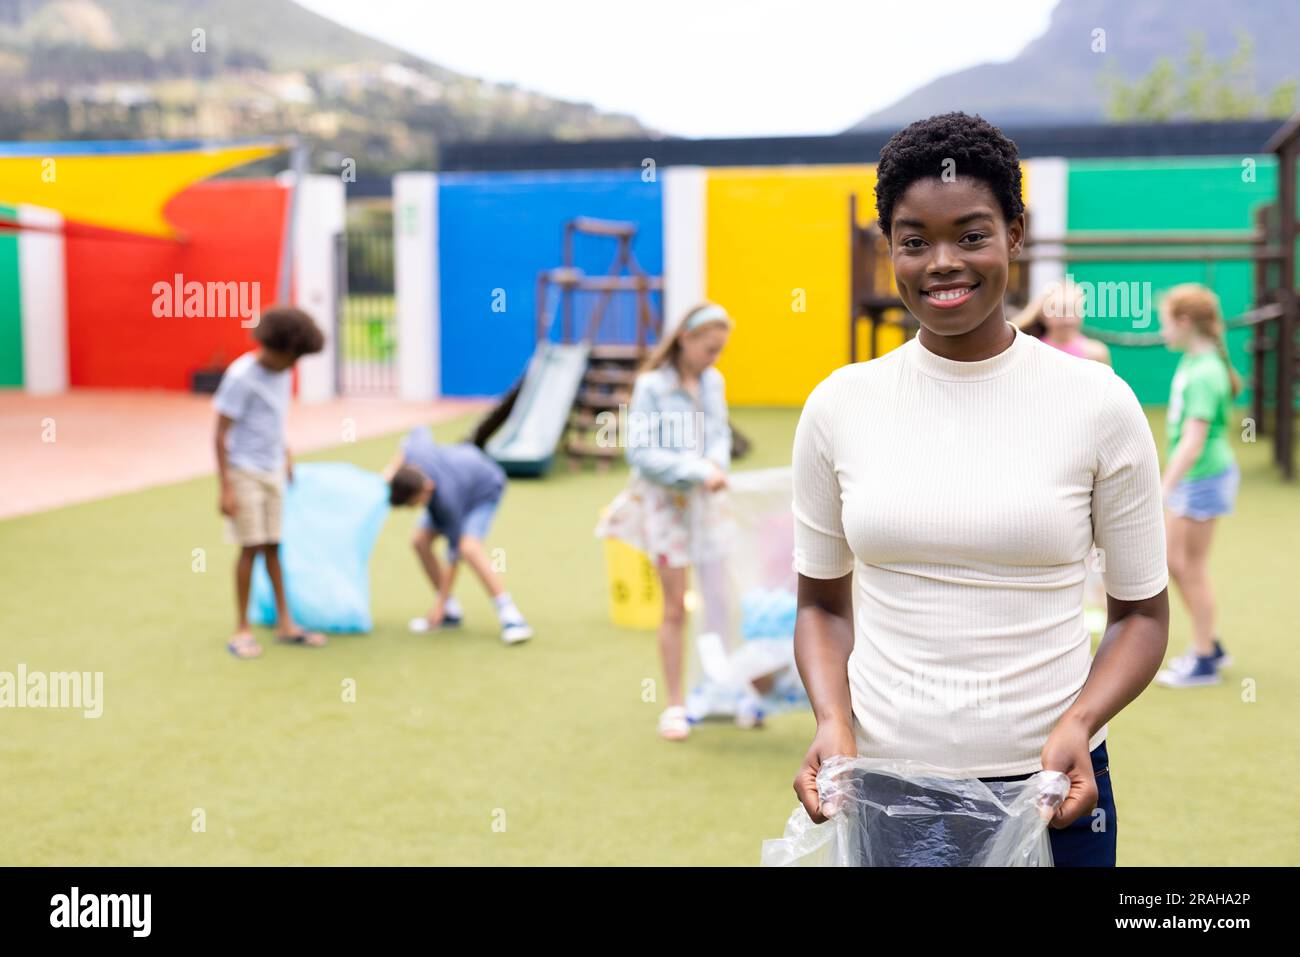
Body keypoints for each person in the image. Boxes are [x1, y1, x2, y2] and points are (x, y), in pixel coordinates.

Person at [790, 113, 1170, 867]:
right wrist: (833, 717)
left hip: (1053, 789)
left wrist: (1080, 721)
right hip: (885, 787)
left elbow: (1141, 616)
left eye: (970, 235)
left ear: (1016, 234)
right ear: (888, 248)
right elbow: (821, 604)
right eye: (913, 240)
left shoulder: (1097, 402)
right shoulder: (839, 404)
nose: (941, 263)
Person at [595, 302, 734, 741]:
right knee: (674, 606)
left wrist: (714, 463)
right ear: (686, 339)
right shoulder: (652, 386)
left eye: (720, 350)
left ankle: (719, 690)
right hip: (666, 507)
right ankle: (675, 703)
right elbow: (641, 453)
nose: (714, 357)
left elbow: (720, 433)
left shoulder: (712, 381)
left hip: (706, 505)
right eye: (709, 348)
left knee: (719, 601)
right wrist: (697, 471)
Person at [214, 304, 328, 658]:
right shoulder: (241, 376)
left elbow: (274, 421)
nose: (295, 365)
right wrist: (226, 488)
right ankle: (241, 629)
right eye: (293, 356)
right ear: (274, 347)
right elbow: (220, 434)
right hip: (243, 471)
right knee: (250, 548)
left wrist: (287, 456)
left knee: (274, 546)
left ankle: (285, 623)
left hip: (273, 469)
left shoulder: (281, 374)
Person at [1153, 283, 1242, 688]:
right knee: (1177, 564)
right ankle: (1210, 644)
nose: (1163, 332)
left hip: (1203, 479)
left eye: (1166, 323)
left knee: (1190, 568)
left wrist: (1162, 487)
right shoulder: (1195, 361)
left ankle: (1205, 657)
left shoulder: (1205, 372)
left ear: (1185, 322)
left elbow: (1193, 441)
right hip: (1195, 479)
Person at [385, 427, 533, 645]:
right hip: (460, 474)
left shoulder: (446, 502)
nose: (415, 508)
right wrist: (390, 471)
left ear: (425, 492)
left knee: (468, 548)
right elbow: (417, 431)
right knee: (419, 541)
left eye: (414, 503)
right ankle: (451, 613)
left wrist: (438, 603)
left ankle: (511, 617)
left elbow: (454, 558)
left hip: (484, 488)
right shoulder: (415, 455)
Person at [1013, 283, 1111, 364]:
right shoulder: (1031, 352)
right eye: (1060, 311)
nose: (1069, 319)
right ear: (1043, 315)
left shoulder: (1096, 353)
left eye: (1075, 310)